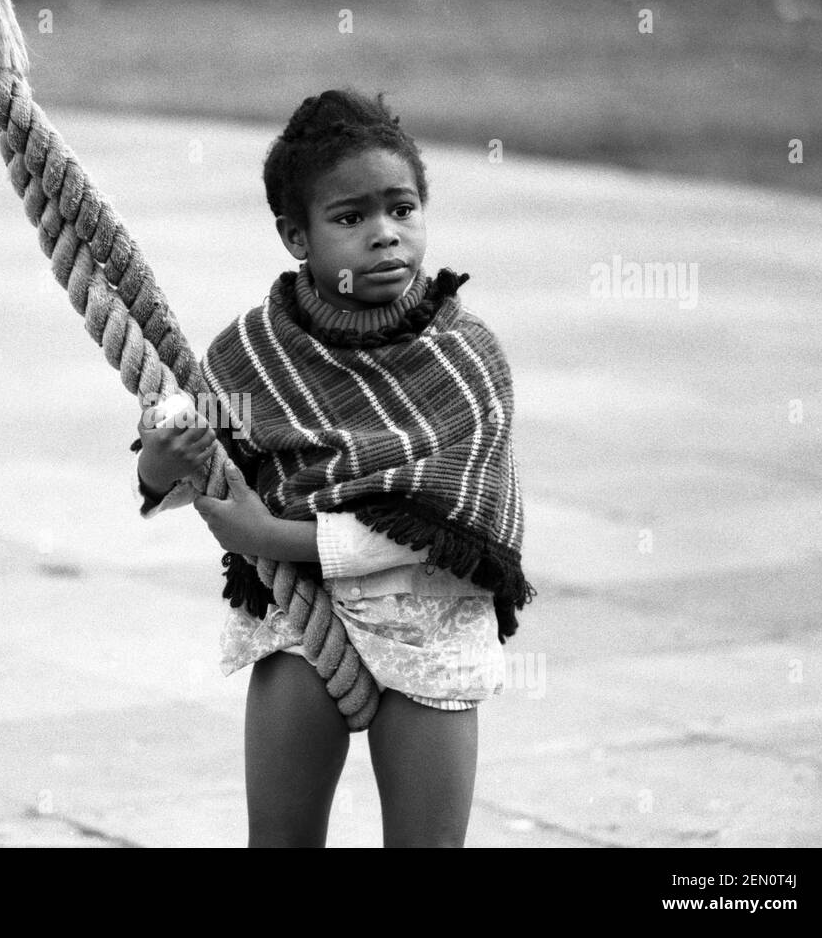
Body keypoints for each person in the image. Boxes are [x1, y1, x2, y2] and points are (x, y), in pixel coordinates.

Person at [129, 88, 534, 847]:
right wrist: (160, 462)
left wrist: (270, 535)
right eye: (351, 218)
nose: (386, 236)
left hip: (429, 624)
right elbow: (198, 466)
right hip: (301, 621)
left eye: (402, 209)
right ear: (297, 236)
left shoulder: (462, 355)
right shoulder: (259, 353)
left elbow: (451, 528)